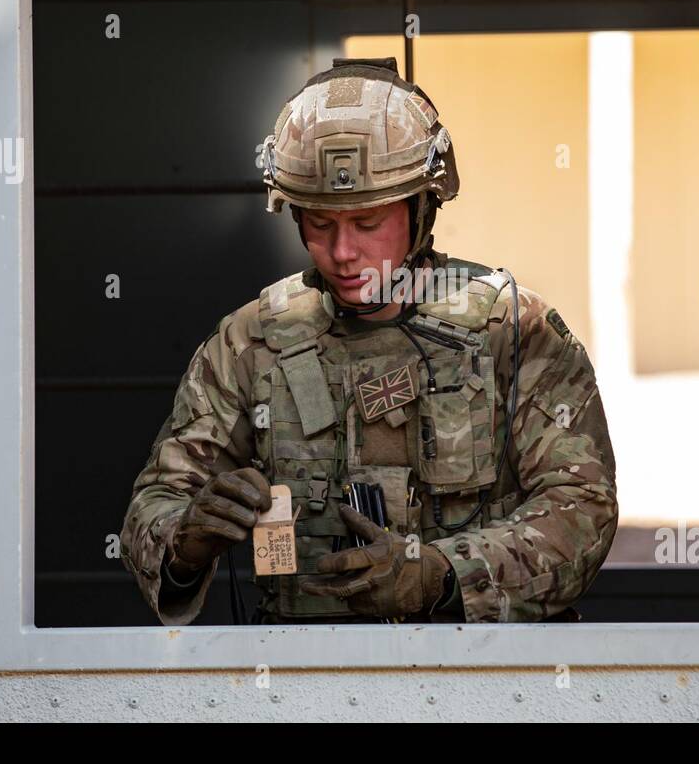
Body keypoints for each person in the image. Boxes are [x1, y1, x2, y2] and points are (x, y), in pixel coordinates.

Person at [119, 56, 617, 625]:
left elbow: (583, 512)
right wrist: (185, 542)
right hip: (306, 682)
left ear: (421, 208)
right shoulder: (251, 343)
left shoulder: (513, 331)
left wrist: (440, 575)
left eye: (368, 222)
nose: (344, 251)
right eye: (321, 224)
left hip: (478, 678)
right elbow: (154, 504)